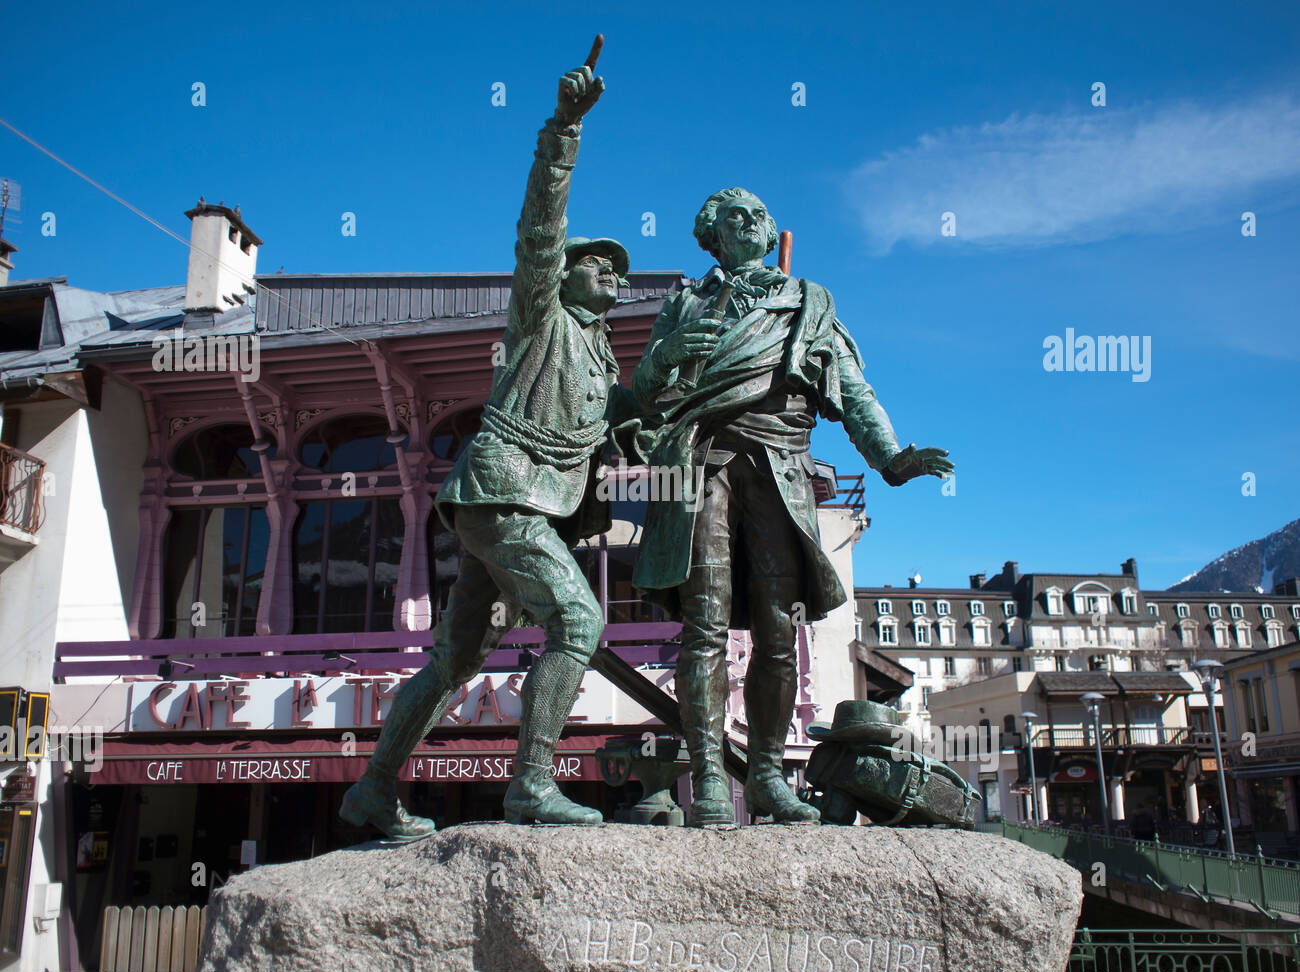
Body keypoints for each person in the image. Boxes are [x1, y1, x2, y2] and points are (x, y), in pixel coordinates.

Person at [340, 58, 630, 839]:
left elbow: (622, 425)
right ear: (566, 276)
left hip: (512, 506)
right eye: (600, 265)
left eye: (616, 270)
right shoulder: (542, 314)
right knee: (578, 619)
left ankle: (371, 790)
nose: (612, 276)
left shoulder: (602, 362)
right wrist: (565, 130)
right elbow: (541, 224)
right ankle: (532, 784)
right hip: (506, 493)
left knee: (454, 660)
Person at [630, 188, 952, 826]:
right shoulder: (687, 302)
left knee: (780, 633)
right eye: (732, 217)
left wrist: (889, 457)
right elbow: (645, 394)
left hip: (782, 466)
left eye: (757, 213)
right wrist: (666, 355)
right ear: (712, 236)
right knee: (704, 625)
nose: (747, 223)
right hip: (704, 464)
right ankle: (711, 779)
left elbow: (854, 387)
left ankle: (772, 777)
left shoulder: (809, 302)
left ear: (768, 226)